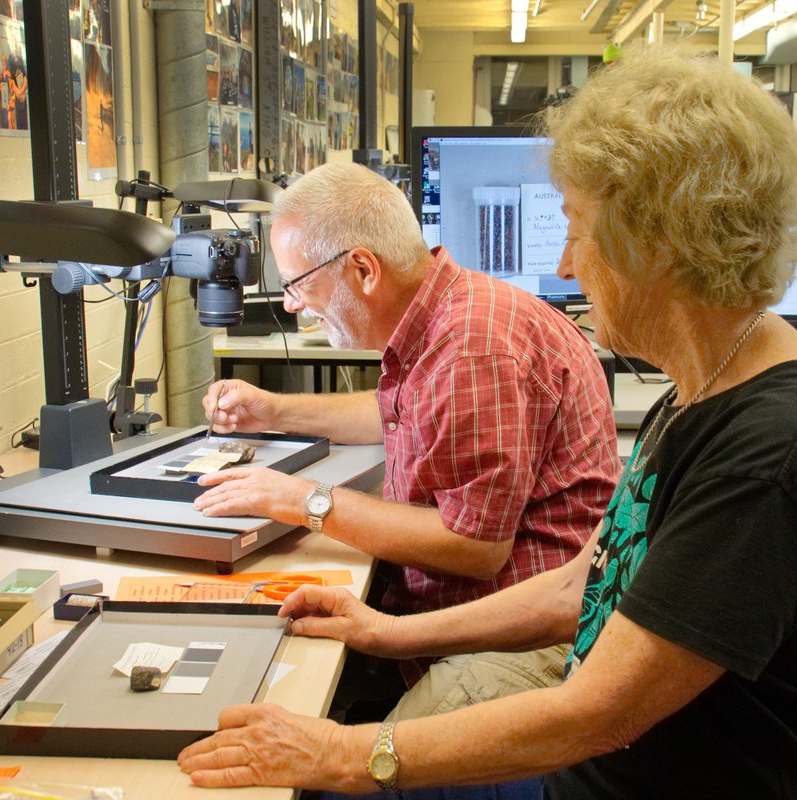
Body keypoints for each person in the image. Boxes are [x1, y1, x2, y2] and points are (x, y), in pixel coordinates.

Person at [177, 43, 797, 798]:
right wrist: (388, 632)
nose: (567, 265)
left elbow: (597, 714)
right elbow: (581, 586)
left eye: (577, 229)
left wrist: (341, 755)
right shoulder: (704, 389)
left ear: (658, 243)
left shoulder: (767, 455)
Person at [197, 160, 620, 718]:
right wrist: (274, 411)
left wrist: (302, 501)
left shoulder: (471, 348)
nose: (292, 304)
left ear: (363, 270)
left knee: (336, 747)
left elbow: (475, 549)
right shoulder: (445, 315)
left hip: (517, 637)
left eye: (297, 284)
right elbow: (400, 413)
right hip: (459, 609)